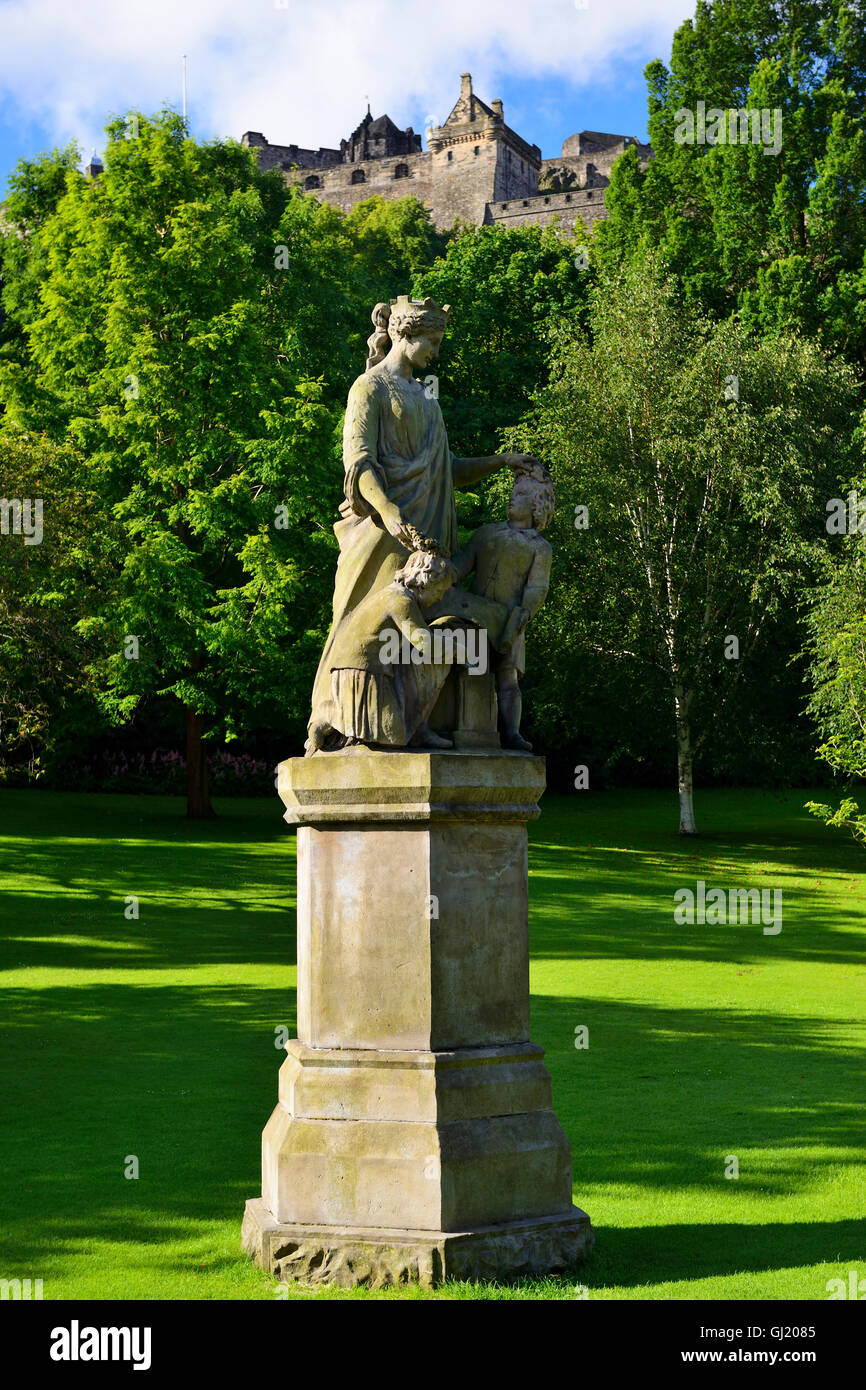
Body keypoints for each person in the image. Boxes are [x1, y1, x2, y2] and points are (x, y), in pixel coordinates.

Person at [306, 294, 540, 752]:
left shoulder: (426, 398)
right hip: (380, 532)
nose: (435, 352)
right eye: (432, 341)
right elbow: (359, 463)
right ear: (405, 334)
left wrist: (501, 460)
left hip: (427, 537)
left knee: (420, 633)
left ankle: (412, 723)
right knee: (360, 625)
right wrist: (389, 512)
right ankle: (335, 724)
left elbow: (447, 469)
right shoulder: (369, 387)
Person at [450, 466, 554, 751]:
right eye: (512, 492)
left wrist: (525, 611)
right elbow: (461, 566)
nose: (511, 498)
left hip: (510, 620)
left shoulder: (540, 547)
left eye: (519, 494)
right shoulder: (486, 533)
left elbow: (537, 587)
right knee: (472, 673)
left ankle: (511, 734)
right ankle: (470, 732)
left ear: (536, 504)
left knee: (508, 680)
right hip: (474, 616)